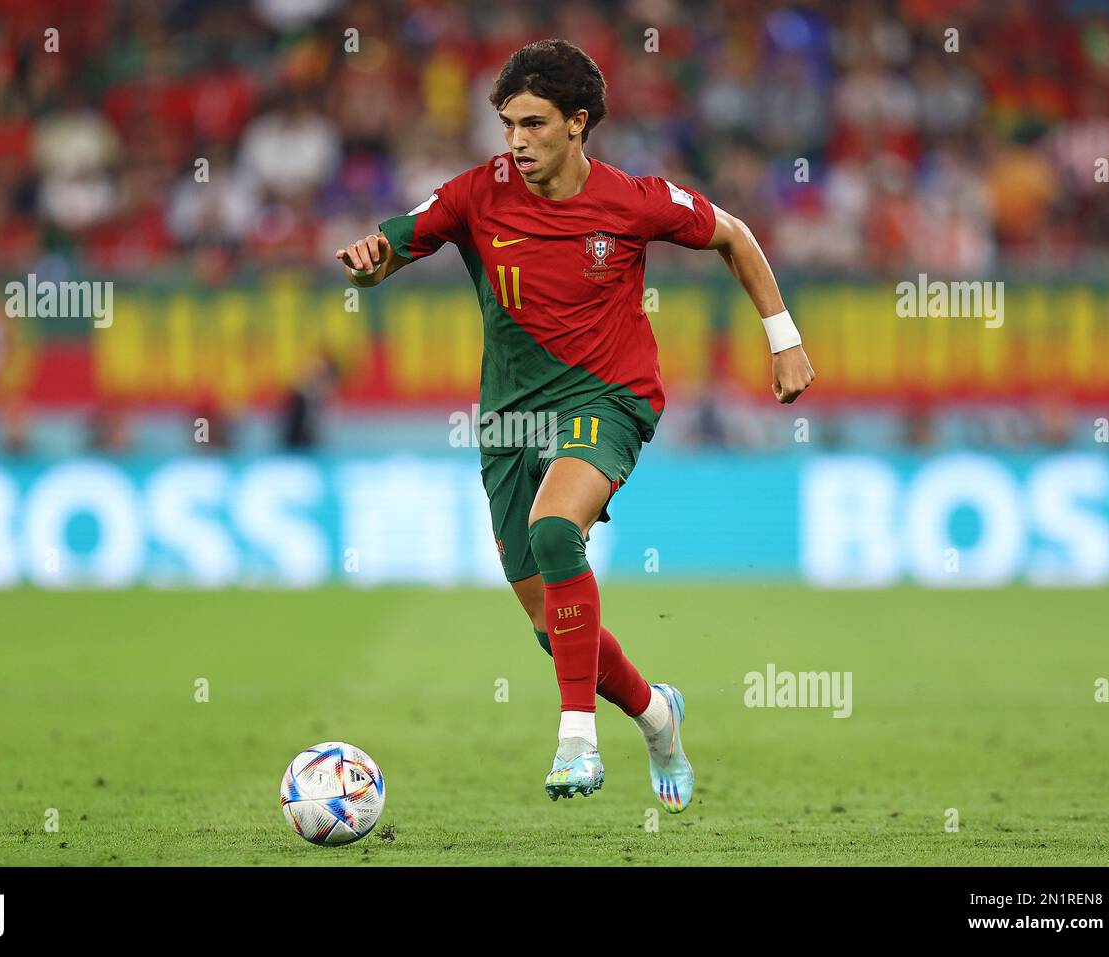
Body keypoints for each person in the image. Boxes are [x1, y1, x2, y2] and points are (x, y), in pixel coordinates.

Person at [335, 39, 815, 811]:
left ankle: (576, 739)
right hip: (511, 422)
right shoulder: (477, 193)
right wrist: (370, 260)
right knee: (547, 621)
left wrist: (784, 339)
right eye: (507, 125)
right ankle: (657, 714)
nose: (516, 141)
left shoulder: (633, 200)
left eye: (532, 123)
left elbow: (734, 233)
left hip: (610, 400)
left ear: (577, 123)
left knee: (557, 529)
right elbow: (396, 241)